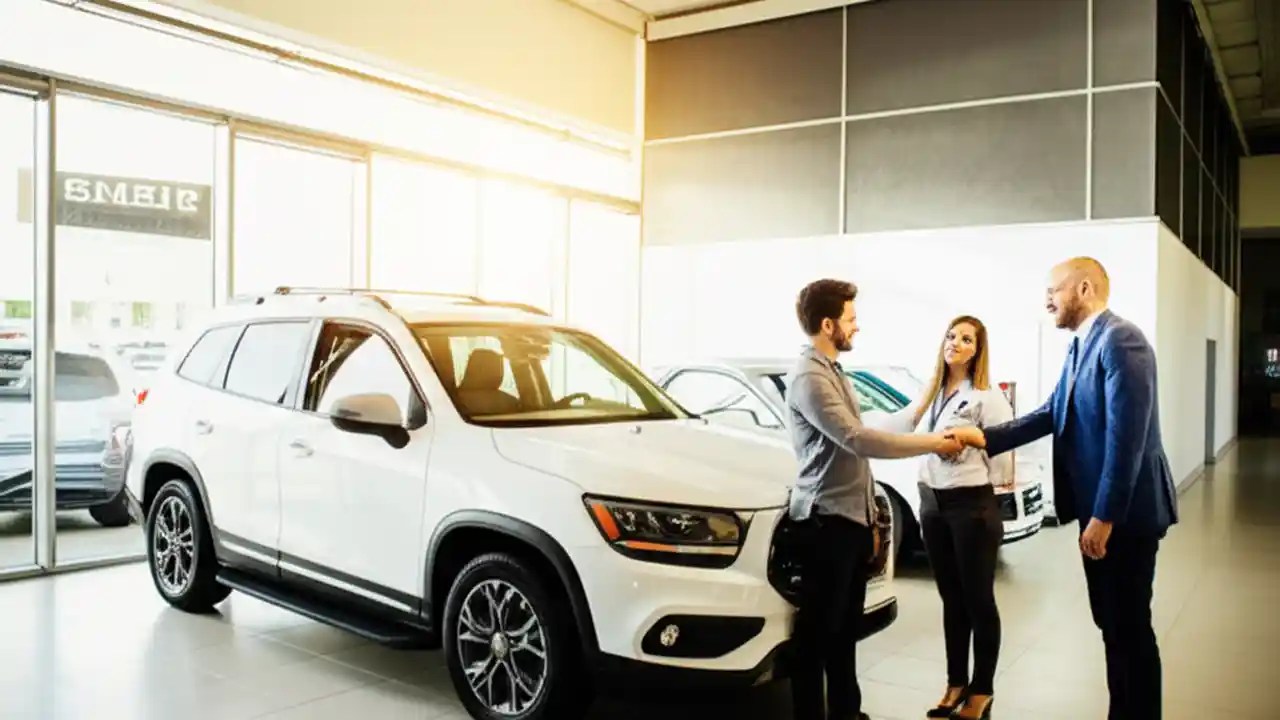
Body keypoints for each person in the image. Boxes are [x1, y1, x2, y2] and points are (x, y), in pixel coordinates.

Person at [948, 257, 1178, 720]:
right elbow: (1052, 412)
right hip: (1101, 514)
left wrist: (1104, 517)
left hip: (1124, 518)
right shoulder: (1080, 347)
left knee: (1130, 629)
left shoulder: (1121, 340)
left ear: (1085, 289)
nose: (1047, 300)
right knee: (1112, 626)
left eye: (1054, 290)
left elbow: (1126, 440)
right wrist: (987, 438)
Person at [785, 278, 963, 720]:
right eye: (851, 319)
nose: (856, 327)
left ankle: (847, 713)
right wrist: (934, 444)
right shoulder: (809, 376)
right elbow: (858, 440)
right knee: (815, 639)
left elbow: (875, 427)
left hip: (847, 522)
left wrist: (925, 401)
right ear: (828, 325)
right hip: (825, 524)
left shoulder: (833, 372)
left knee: (844, 632)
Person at [872, 315, 1012, 719]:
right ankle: (955, 683)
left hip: (971, 505)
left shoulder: (986, 396)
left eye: (966, 339)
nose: (955, 343)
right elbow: (904, 424)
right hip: (931, 503)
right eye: (951, 336)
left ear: (977, 350)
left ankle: (981, 690)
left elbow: (1002, 458)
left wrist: (968, 454)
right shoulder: (931, 390)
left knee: (978, 600)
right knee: (951, 599)